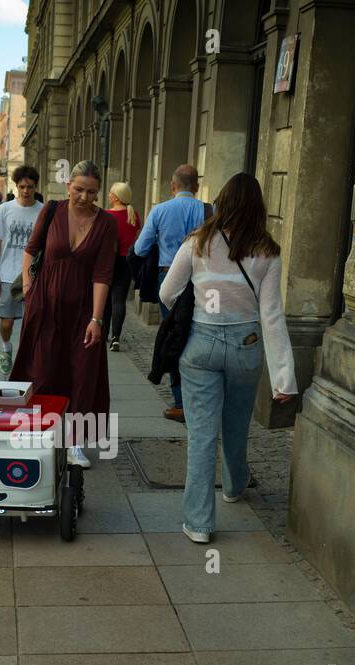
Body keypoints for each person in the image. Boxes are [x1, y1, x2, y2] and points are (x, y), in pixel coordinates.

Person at [159, 172, 298, 544]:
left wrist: (198, 311)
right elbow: (272, 316)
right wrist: (284, 379)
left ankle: (199, 524)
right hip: (246, 345)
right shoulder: (267, 251)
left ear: (221, 201)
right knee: (236, 425)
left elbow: (167, 292)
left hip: (201, 344)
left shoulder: (198, 242)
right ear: (258, 208)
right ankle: (235, 485)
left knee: (202, 436)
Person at [11, 160, 117, 469]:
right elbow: (31, 249)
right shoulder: (53, 210)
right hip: (44, 306)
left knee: (84, 376)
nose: (84, 197)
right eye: (79, 189)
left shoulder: (106, 224)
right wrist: (29, 288)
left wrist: (97, 320)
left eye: (92, 192)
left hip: (84, 310)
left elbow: (103, 274)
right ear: (68, 184)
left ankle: (76, 443)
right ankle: (41, 435)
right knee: (41, 371)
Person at [132, 164, 211, 422]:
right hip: (201, 280)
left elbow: (141, 248)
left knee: (175, 337)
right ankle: (199, 399)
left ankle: (180, 402)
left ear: (172, 186)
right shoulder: (210, 211)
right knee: (199, 335)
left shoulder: (160, 211)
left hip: (170, 279)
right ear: (196, 186)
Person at [0, 164, 43, 376]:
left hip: (35, 276)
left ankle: (29, 357)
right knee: (7, 321)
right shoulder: (5, 209)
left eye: (29, 187)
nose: (26, 191)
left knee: (33, 322)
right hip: (9, 274)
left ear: (35, 186)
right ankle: (6, 348)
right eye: (22, 187)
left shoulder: (43, 211)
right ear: (16, 186)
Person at [102, 181, 141, 352]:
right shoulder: (134, 215)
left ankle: (103, 334)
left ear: (116, 197)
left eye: (111, 193)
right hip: (126, 262)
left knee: (105, 301)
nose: (109, 195)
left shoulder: (106, 215)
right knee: (119, 301)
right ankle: (116, 337)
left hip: (108, 261)